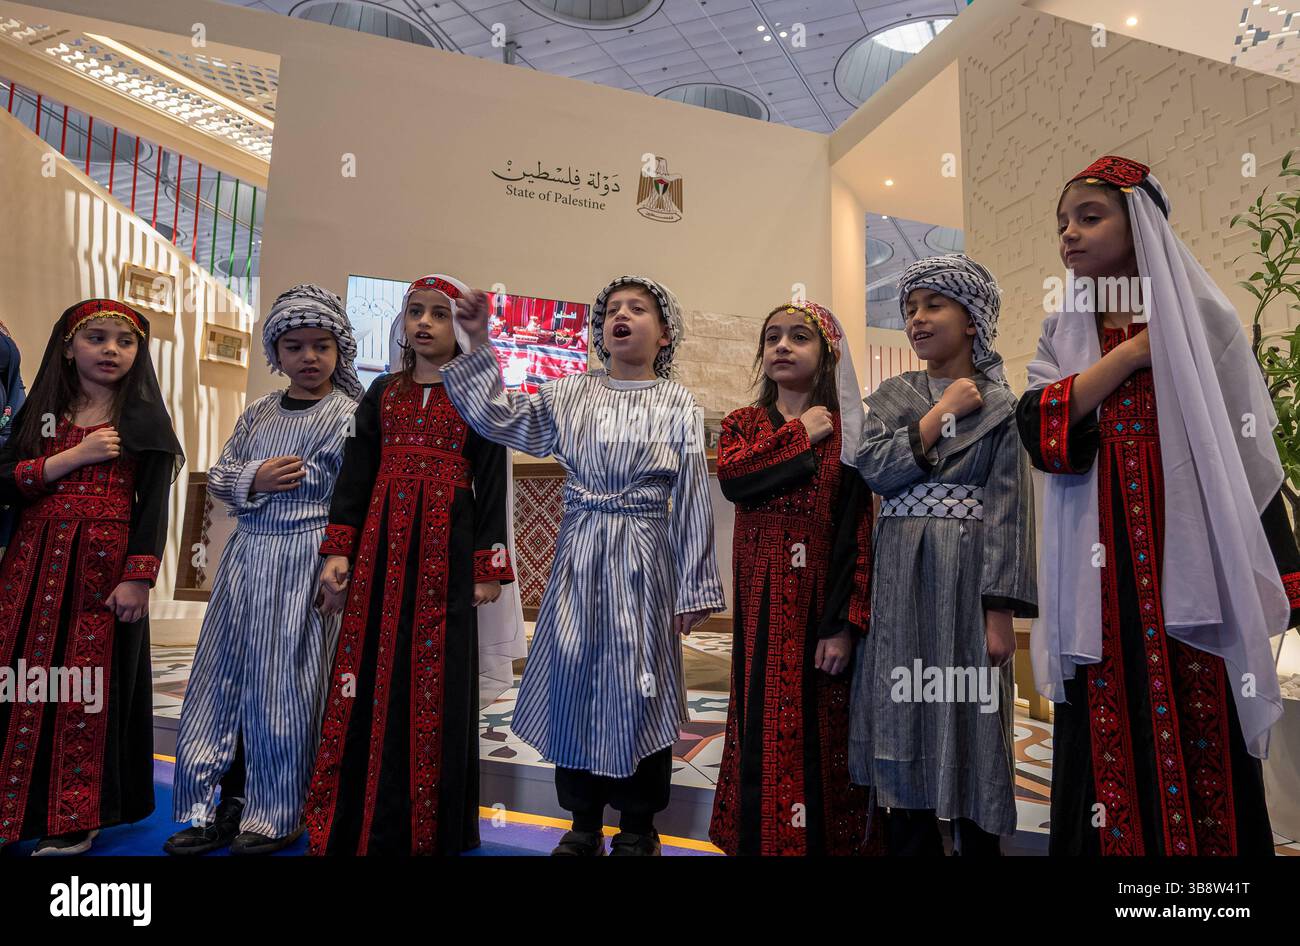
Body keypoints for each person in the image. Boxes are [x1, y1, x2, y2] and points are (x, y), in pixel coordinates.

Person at [1019, 155, 1300, 855]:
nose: (1070, 237)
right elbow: (1039, 430)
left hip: (1191, 562)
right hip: (1099, 574)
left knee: (1202, 715)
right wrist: (1131, 357)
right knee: (1105, 727)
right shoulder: (1064, 331)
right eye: (1062, 225)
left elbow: (1242, 455)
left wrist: (1283, 571)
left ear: (1139, 221)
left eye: (1090, 217)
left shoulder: (1203, 317)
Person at [441, 275, 726, 856]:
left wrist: (693, 587)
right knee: (575, 681)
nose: (621, 316)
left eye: (638, 309)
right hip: (581, 558)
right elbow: (498, 416)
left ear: (664, 332)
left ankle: (640, 826)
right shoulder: (570, 393)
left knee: (641, 690)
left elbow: (694, 496)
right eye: (612, 309)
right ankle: (584, 822)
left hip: (645, 562)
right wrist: (476, 340)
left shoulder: (676, 403)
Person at [304, 274, 516, 855]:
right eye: (415, 312)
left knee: (437, 680)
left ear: (459, 326)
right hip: (378, 552)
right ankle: (357, 816)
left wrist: (486, 566)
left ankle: (431, 827)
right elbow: (356, 473)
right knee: (367, 671)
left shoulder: (479, 392)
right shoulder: (382, 393)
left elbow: (492, 479)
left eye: (440, 314)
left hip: (447, 555)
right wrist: (339, 550)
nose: (424, 323)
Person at [851, 255, 1037, 856]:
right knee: (901, 705)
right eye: (909, 309)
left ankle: (978, 843)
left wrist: (999, 612)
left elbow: (1010, 510)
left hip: (967, 581)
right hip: (899, 576)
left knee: (972, 711)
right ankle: (909, 841)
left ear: (973, 319)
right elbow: (873, 471)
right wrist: (941, 413)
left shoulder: (1005, 407)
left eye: (933, 305)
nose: (917, 319)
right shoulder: (892, 396)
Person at [167, 284, 361, 856]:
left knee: (286, 686)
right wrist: (254, 478)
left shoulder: (349, 416)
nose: (308, 357)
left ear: (339, 350)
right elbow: (222, 476)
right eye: (294, 346)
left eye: (321, 345)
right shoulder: (258, 413)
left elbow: (355, 497)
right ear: (276, 355)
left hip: (305, 560)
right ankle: (206, 807)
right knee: (217, 679)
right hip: (248, 557)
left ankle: (275, 811)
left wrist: (337, 559)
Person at [0, 299, 183, 855]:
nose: (111, 350)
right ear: (67, 345)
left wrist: (139, 578)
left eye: (124, 342)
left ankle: (74, 812)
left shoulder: (141, 418)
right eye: (97, 338)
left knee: (86, 690)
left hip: (100, 577)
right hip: (30, 568)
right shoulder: (42, 414)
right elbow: (6, 478)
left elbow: (152, 503)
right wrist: (64, 460)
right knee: (17, 681)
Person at [708, 299, 877, 856]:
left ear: (826, 356)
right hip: (758, 613)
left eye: (799, 337)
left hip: (818, 614)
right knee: (757, 724)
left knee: (821, 735)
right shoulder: (743, 424)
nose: (782, 346)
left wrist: (843, 625)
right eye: (773, 337)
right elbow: (736, 478)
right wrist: (800, 433)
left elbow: (857, 534)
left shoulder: (853, 435)